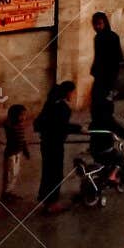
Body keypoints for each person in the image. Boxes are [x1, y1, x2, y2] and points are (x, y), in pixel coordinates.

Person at [33, 81, 80, 214]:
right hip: (55, 144)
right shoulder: (63, 108)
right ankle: (52, 204)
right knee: (55, 174)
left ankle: (46, 200)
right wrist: (78, 128)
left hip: (46, 143)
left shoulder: (50, 103)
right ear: (67, 92)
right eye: (72, 92)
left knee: (48, 172)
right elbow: (61, 126)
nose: (73, 95)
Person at [90, 11, 124, 101]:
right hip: (100, 74)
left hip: (109, 74)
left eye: (99, 24)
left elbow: (117, 57)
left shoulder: (112, 37)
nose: (97, 27)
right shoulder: (98, 38)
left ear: (105, 23)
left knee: (104, 101)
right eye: (95, 24)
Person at [1, 103, 32, 200]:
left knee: (15, 174)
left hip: (18, 153)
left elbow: (23, 140)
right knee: (9, 174)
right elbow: (6, 124)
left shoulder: (20, 126)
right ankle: (5, 194)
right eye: (21, 115)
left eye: (24, 115)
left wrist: (26, 151)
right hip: (10, 154)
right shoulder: (10, 126)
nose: (23, 117)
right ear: (13, 116)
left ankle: (9, 192)